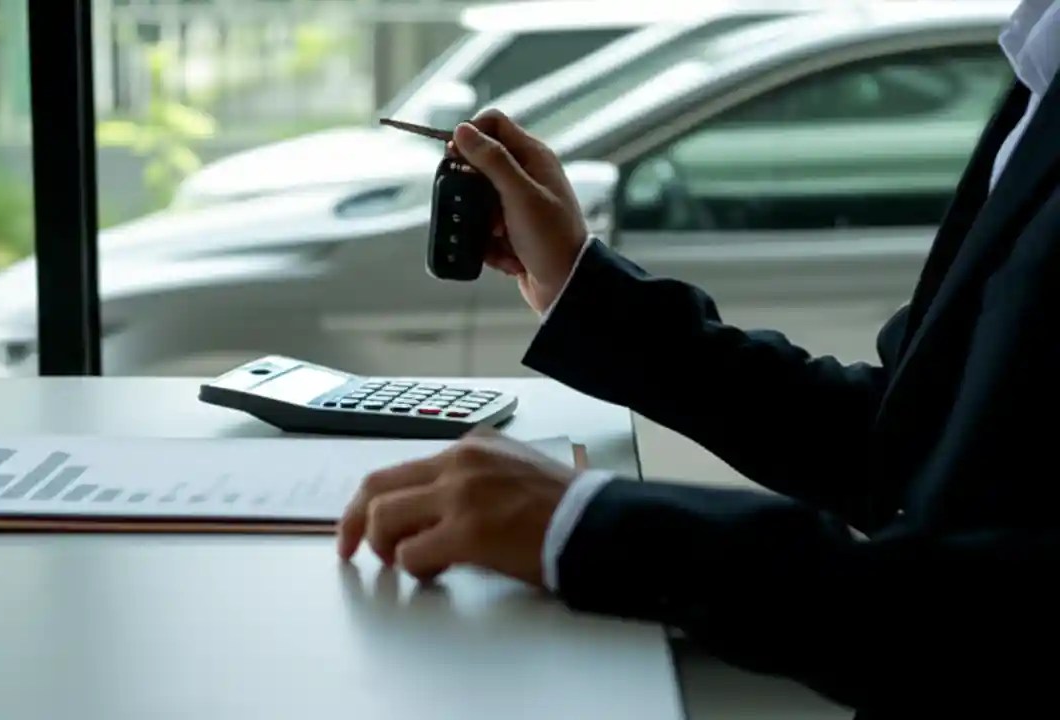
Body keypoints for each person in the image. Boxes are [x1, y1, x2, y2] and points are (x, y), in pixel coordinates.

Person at [336, 1, 1060, 716]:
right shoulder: (1040, 60)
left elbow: (1001, 620)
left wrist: (590, 526)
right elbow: (898, 441)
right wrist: (580, 286)